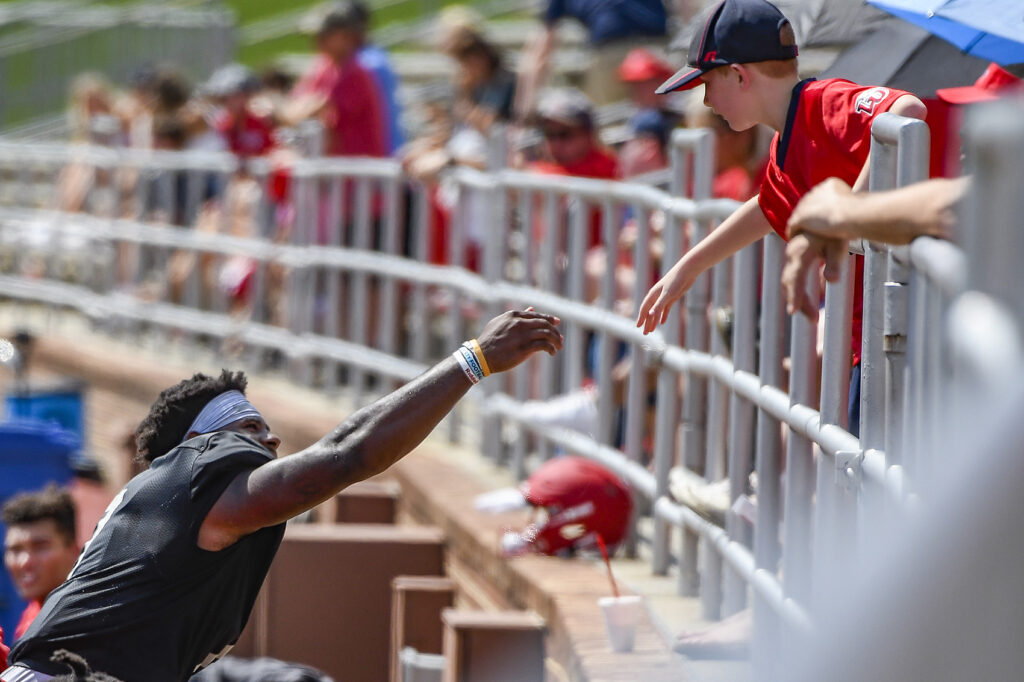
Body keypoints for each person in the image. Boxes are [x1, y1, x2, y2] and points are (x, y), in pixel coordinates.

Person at [4, 309, 562, 681]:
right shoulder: (196, 469)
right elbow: (345, 454)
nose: (269, 440)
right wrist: (473, 360)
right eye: (249, 427)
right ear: (201, 441)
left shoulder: (175, 510)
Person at [634, 0, 926, 435]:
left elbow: (907, 110)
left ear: (739, 75)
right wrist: (688, 267)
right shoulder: (787, 139)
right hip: (874, 330)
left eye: (708, 84)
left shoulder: (822, 101)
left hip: (909, 324)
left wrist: (849, 209)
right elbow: (767, 205)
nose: (707, 101)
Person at [515, 0, 669, 115]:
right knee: (664, 118)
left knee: (608, 123)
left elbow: (542, 48)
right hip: (658, 50)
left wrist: (525, 109)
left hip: (611, 52)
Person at [288, 2, 386, 158]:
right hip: (336, 165)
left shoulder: (356, 71)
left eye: (324, 35)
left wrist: (298, 111)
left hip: (361, 167)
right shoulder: (324, 66)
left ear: (346, 36)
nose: (317, 40)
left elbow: (317, 112)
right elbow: (295, 106)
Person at [2, 487, 80, 641]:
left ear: (74, 550)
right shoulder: (34, 611)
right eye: (15, 549)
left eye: (40, 547)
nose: (25, 562)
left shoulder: (85, 620)